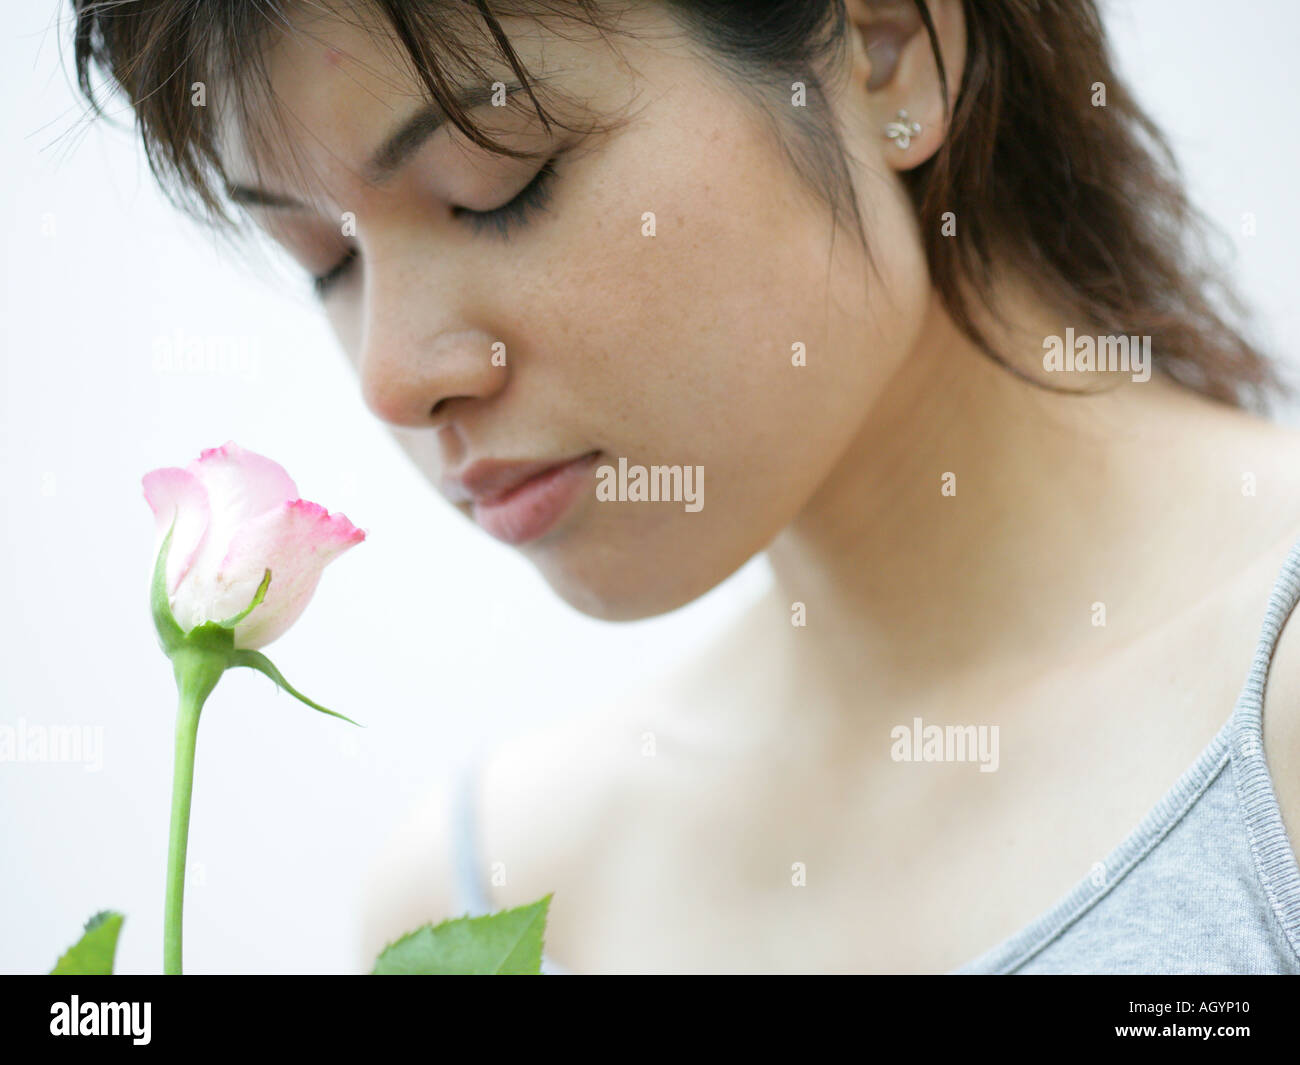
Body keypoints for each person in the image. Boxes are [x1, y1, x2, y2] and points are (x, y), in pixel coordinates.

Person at [71, 0, 1300, 973]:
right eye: (323, 260)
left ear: (885, 54)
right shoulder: (487, 894)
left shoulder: (1267, 714)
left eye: (497, 187)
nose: (393, 377)